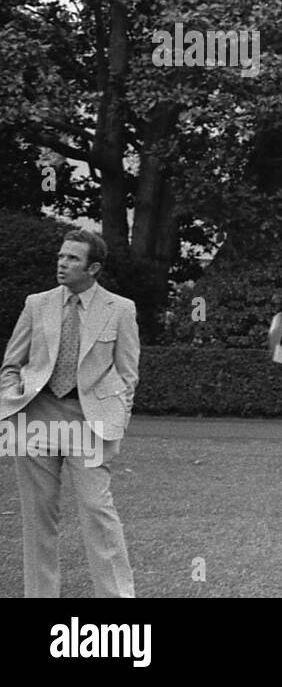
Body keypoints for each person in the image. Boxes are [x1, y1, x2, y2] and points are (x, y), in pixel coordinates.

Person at [1, 229, 139, 597]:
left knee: (97, 509)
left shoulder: (121, 309)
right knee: (38, 516)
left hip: (89, 421)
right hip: (35, 416)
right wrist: (9, 403)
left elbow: (127, 375)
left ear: (93, 268)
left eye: (72, 259)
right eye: (61, 256)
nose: (62, 263)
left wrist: (117, 423)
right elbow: (11, 364)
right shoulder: (37, 303)